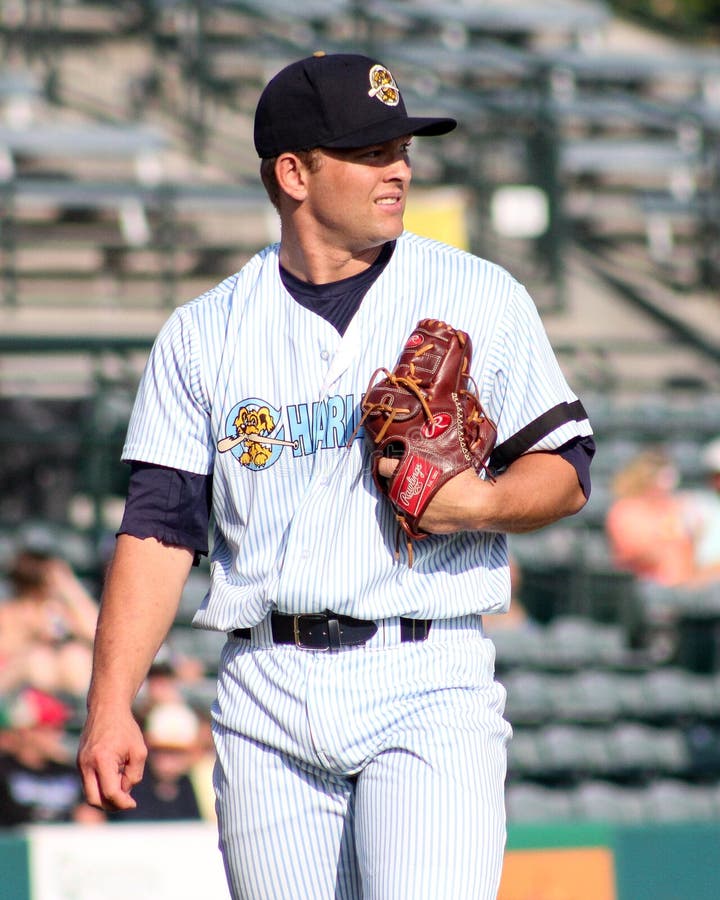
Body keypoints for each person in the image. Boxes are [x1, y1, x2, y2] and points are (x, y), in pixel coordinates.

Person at [77, 52, 594, 900]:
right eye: (367, 151)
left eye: (401, 147)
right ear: (293, 173)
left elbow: (568, 467)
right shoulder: (206, 332)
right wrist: (109, 705)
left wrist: (484, 503)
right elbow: (159, 527)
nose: (398, 168)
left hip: (424, 673)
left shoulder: (478, 294)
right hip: (265, 687)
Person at [0, 549, 98, 697]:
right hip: (22, 689)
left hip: (68, 683)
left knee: (75, 656)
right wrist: (32, 634)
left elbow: (97, 634)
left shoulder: (63, 609)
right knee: (39, 660)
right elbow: (7, 652)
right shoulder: (9, 612)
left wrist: (71, 588)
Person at [109, 700, 204, 822]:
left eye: (176, 754)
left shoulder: (195, 786)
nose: (168, 763)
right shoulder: (127, 786)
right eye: (161, 752)